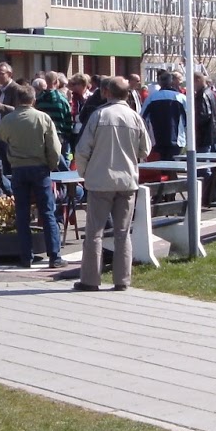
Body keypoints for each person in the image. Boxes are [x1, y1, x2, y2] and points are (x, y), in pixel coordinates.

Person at [72, 76, 149, 292]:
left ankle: (90, 279)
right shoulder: (135, 117)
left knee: (94, 233)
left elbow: (82, 150)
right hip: (127, 181)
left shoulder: (99, 115)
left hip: (100, 180)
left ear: (106, 92)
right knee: (122, 233)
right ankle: (122, 279)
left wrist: (85, 173)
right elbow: (145, 149)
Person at [0, 81, 66, 269]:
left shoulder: (8, 120)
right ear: (34, 100)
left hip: (18, 169)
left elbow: (1, 139)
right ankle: (54, 256)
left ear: (16, 100)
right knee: (47, 212)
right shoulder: (43, 118)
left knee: (22, 214)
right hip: (40, 168)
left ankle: (26, 257)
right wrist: (51, 165)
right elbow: (55, 148)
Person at [141, 71, 188, 159]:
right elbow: (189, 118)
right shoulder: (181, 98)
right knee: (174, 163)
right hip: (177, 138)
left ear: (160, 83)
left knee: (161, 162)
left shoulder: (151, 98)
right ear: (171, 82)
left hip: (157, 138)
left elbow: (142, 118)